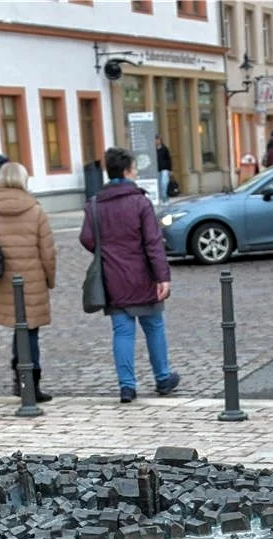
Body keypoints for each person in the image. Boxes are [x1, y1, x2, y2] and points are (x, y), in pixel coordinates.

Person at [82, 146, 181, 404]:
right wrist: (163, 277)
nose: (136, 172)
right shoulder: (140, 202)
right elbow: (153, 243)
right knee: (154, 327)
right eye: (134, 168)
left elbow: (87, 239)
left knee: (122, 333)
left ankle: (127, 387)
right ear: (126, 171)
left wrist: (108, 252)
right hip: (143, 276)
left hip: (112, 277)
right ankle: (162, 378)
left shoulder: (94, 204)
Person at [0, 160, 57, 400]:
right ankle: (31, 384)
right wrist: (49, 279)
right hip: (32, 281)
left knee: (18, 328)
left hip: (3, 282)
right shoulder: (36, 210)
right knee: (30, 331)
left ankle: (18, 378)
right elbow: (48, 252)